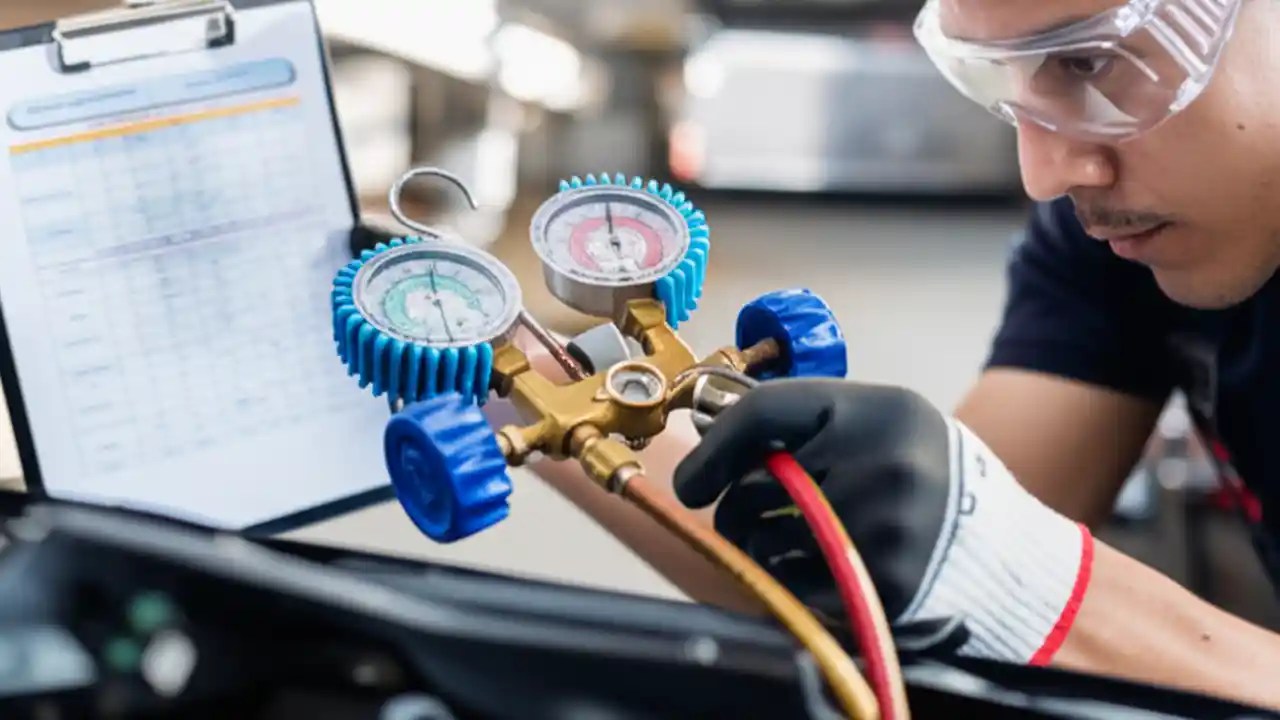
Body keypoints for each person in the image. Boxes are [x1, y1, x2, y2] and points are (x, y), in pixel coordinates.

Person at [490, 0, 1280, 711]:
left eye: (1092, 62)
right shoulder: (1112, 243)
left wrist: (1031, 583)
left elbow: (996, 567)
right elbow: (864, 581)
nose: (1045, 174)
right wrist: (491, 356)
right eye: (1011, 85)